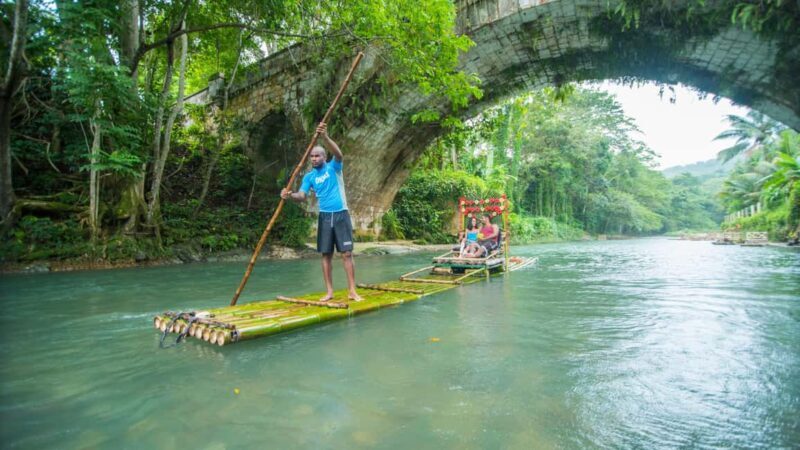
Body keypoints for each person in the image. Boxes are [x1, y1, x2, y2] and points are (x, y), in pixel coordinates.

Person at [281, 122, 362, 302]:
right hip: (325, 217)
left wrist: (324, 137)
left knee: (347, 253)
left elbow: (340, 154)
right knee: (326, 254)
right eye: (312, 156)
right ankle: (330, 292)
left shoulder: (334, 167)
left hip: (341, 214)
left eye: (317, 156)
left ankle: (352, 291)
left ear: (324, 157)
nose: (314, 159)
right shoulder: (309, 177)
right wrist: (289, 195)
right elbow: (301, 196)